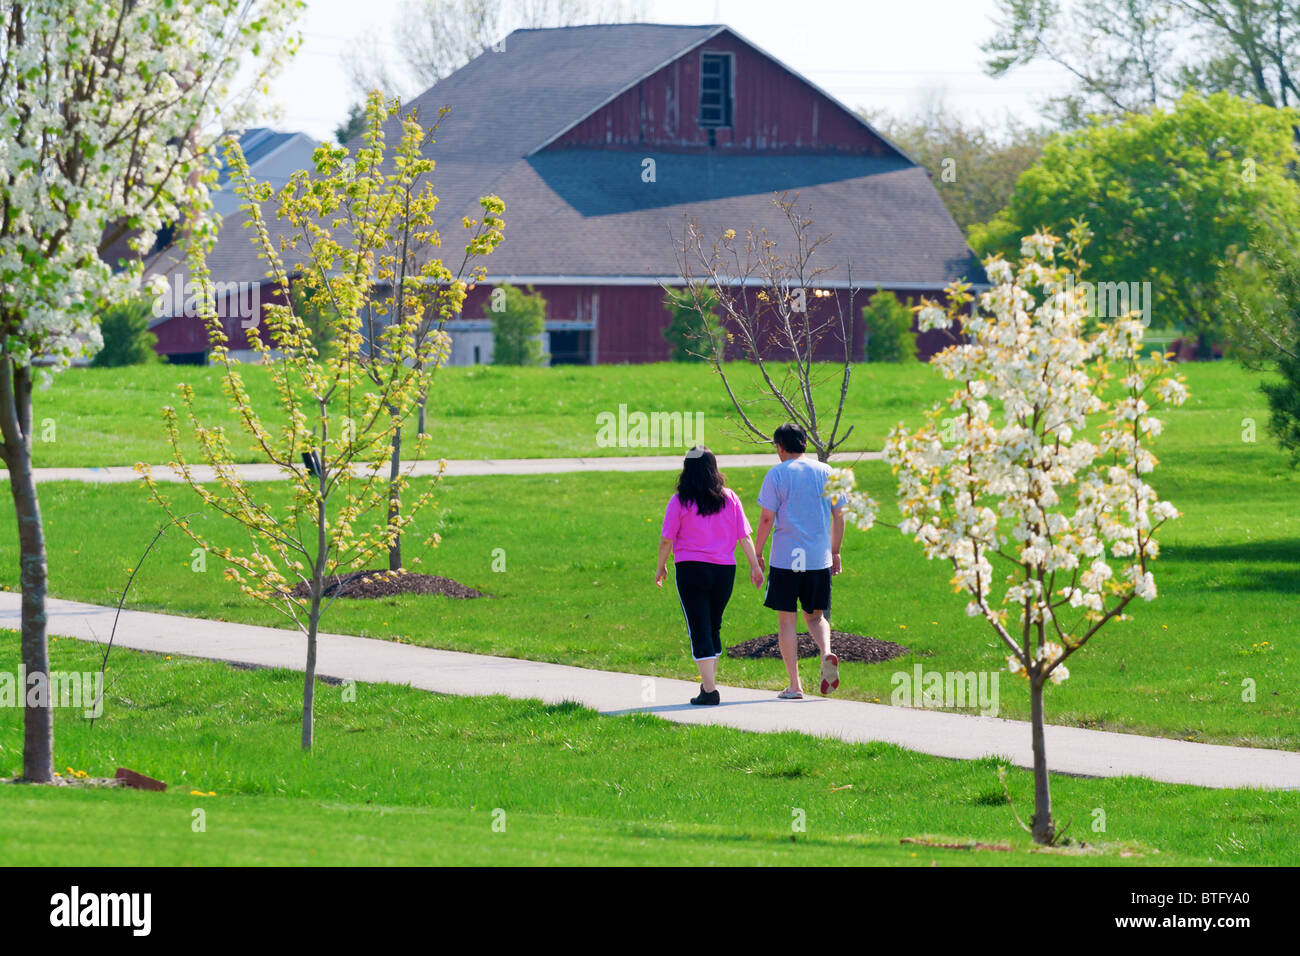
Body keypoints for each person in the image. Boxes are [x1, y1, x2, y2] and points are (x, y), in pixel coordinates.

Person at [656, 446, 764, 705]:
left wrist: (661, 566)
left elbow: (666, 540)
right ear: (714, 468)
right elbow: (744, 536)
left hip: (691, 568)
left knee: (699, 629)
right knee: (713, 625)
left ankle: (710, 690)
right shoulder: (729, 498)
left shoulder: (680, 501)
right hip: (724, 570)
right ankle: (707, 687)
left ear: (687, 469)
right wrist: (755, 566)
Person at [753, 423, 846, 699]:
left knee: (787, 622)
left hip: (786, 558)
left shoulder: (777, 474)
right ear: (805, 444)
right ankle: (827, 652)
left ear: (780, 447)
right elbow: (839, 515)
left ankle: (794, 685)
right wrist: (836, 551)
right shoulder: (828, 472)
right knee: (815, 616)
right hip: (819, 558)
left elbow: (767, 518)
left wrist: (757, 552)